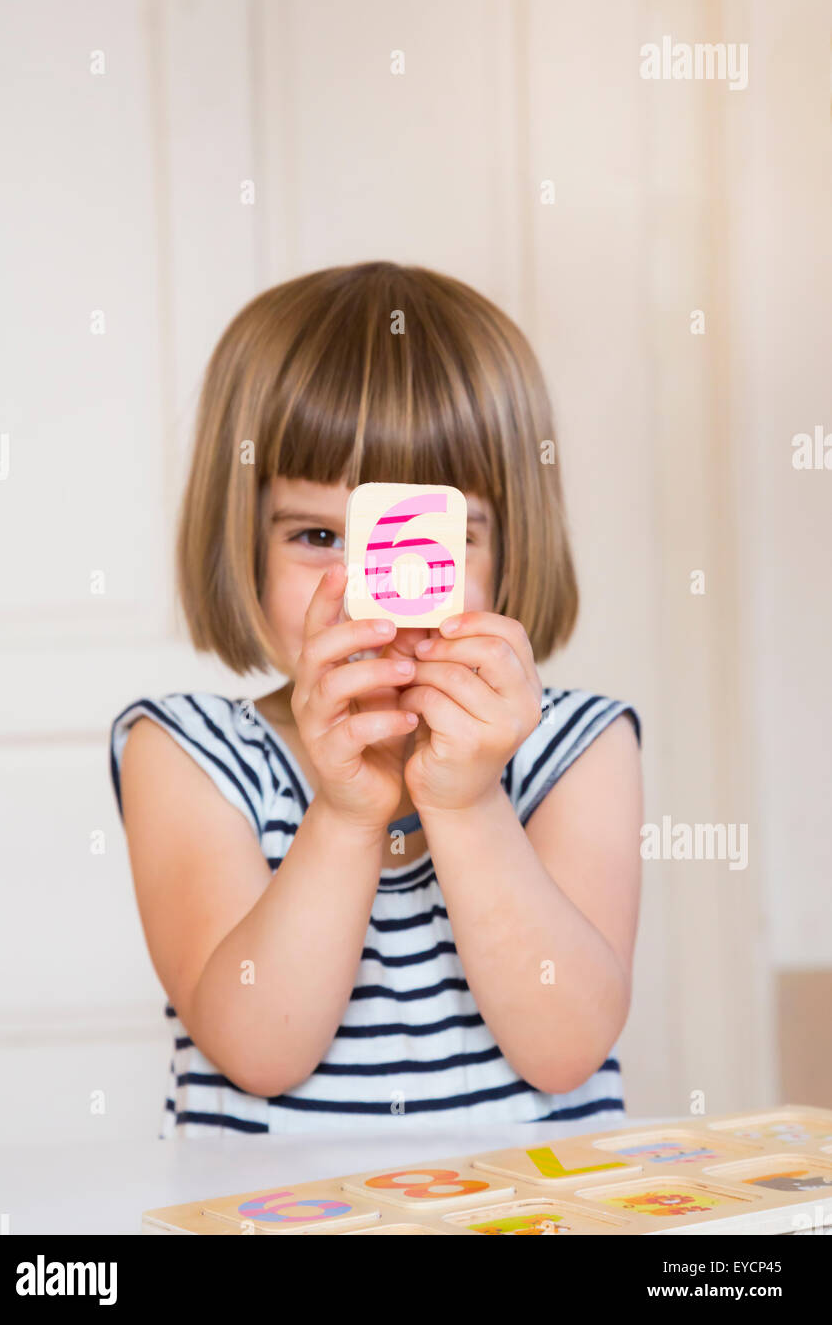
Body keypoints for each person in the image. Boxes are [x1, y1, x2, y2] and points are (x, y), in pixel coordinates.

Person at [109, 260, 643, 1137]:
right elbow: (258, 1052)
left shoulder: (578, 746)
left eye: (433, 540)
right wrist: (348, 815)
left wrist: (466, 807)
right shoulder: (186, 754)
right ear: (240, 543)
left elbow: (566, 1048)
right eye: (320, 536)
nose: (372, 591)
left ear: (510, 545)